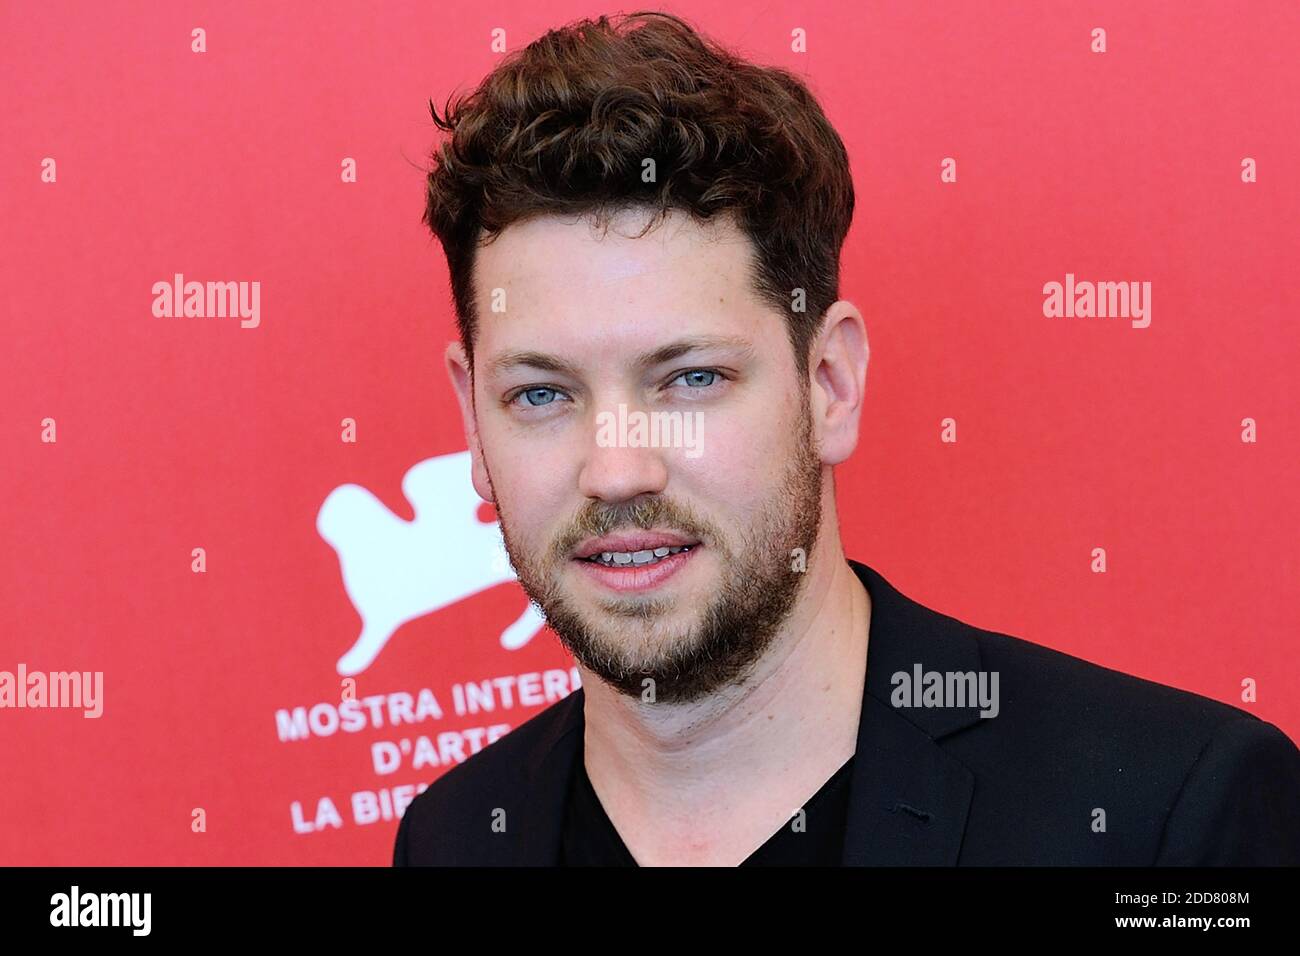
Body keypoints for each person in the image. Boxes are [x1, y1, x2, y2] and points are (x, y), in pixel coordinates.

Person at [394, 10, 1300, 865]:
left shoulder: (1168, 816)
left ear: (830, 383)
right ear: (473, 418)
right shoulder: (455, 837)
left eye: (693, 379)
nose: (617, 467)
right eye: (543, 393)